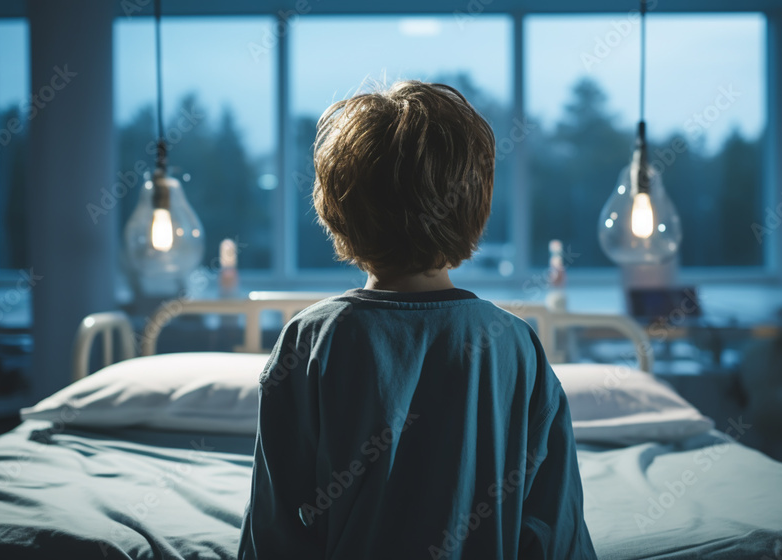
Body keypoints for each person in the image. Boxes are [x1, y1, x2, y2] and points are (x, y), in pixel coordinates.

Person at [239, 80, 596, 560]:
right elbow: (554, 533)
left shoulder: (311, 341)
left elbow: (274, 531)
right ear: (474, 205)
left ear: (338, 208)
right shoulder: (516, 346)